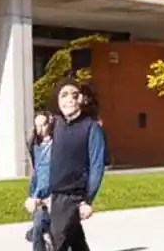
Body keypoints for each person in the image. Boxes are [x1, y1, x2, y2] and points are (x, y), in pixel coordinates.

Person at [46, 78, 108, 251]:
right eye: (63, 95)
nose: (69, 99)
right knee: (75, 241)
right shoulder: (56, 125)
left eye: (74, 95)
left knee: (56, 242)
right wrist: (39, 193)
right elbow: (46, 161)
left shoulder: (91, 128)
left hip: (74, 197)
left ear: (82, 99)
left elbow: (97, 165)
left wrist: (87, 200)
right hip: (55, 195)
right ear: (58, 101)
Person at [24, 112, 55, 251]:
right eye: (37, 126)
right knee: (38, 227)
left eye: (43, 124)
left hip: (55, 194)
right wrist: (32, 194)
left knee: (54, 230)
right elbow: (35, 171)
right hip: (39, 194)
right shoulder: (35, 145)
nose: (40, 129)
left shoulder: (58, 145)